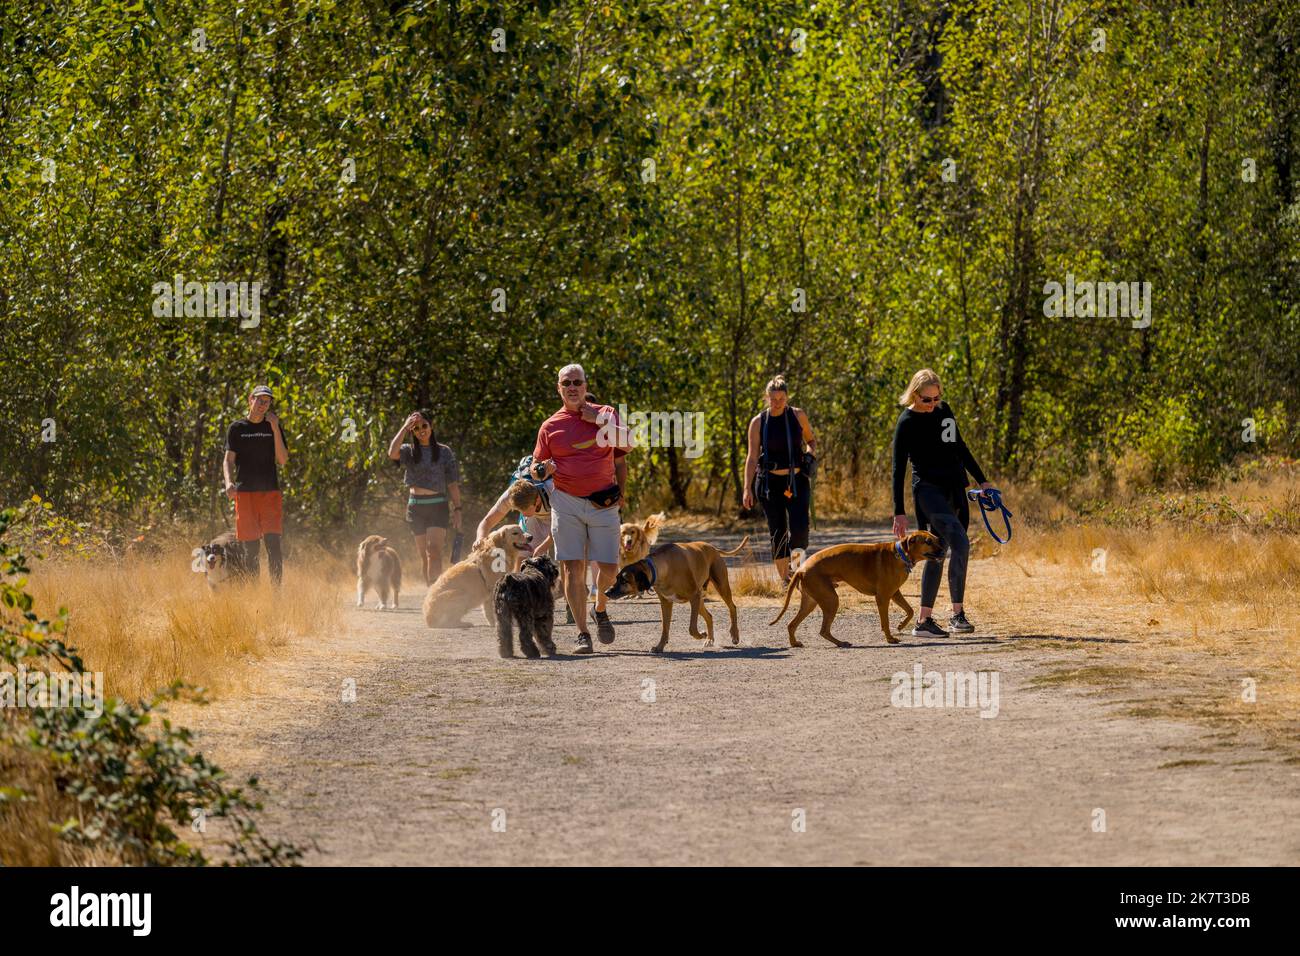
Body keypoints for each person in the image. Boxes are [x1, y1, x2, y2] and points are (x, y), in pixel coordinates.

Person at [530, 364, 632, 654]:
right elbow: (536, 470)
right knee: (573, 569)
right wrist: (542, 470)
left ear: (586, 386)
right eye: (567, 383)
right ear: (558, 388)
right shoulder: (550, 426)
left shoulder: (607, 413)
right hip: (566, 501)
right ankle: (582, 634)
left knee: (610, 570)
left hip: (603, 502)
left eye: (577, 382)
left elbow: (630, 443)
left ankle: (599, 609)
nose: (572, 387)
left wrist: (598, 420)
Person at [890, 368, 994, 637]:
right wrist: (899, 512)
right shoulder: (907, 422)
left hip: (955, 488)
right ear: (915, 394)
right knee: (960, 542)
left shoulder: (944, 411)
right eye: (927, 399)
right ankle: (957, 614)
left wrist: (983, 481)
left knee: (937, 552)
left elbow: (961, 447)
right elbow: (898, 469)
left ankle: (924, 621)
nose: (933, 404)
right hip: (927, 491)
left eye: (937, 398)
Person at [742, 375, 817, 583]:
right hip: (769, 484)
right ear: (767, 398)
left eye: (781, 399)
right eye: (773, 399)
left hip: (796, 482)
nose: (777, 403)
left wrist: (810, 454)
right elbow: (752, 456)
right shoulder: (758, 422)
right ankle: (787, 582)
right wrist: (747, 488)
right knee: (778, 532)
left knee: (800, 530)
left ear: (787, 397)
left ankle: (796, 571)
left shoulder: (798, 416)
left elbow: (811, 440)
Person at [223, 385, 289, 585]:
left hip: (270, 493)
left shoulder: (273, 427)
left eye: (267, 401)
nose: (263, 405)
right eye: (260, 400)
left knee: (273, 546)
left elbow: (283, 459)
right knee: (250, 549)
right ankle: (254, 597)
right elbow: (228, 460)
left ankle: (277, 596)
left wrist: (275, 427)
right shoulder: (237, 428)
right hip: (245, 494)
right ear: (250, 400)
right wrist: (228, 482)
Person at [387, 409, 462, 585]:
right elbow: (391, 453)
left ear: (431, 426)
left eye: (424, 425)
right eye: (416, 428)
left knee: (433, 551)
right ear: (412, 431)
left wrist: (458, 509)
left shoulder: (444, 452)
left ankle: (437, 596)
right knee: (424, 556)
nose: (421, 430)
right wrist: (404, 428)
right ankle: (431, 592)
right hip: (415, 507)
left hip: (438, 506)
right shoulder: (408, 450)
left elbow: (452, 483)